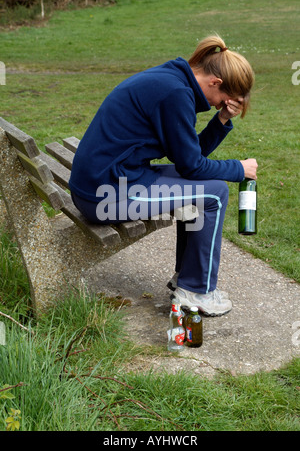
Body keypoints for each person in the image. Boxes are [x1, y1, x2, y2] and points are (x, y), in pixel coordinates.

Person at [69, 34, 257, 317]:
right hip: (105, 194)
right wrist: (238, 169)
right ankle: (196, 290)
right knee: (215, 194)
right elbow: (192, 166)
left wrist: (222, 121)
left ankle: (187, 279)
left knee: (205, 188)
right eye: (221, 102)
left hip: (107, 179)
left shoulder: (172, 79)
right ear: (215, 82)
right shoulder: (176, 94)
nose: (218, 106)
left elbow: (187, 158)